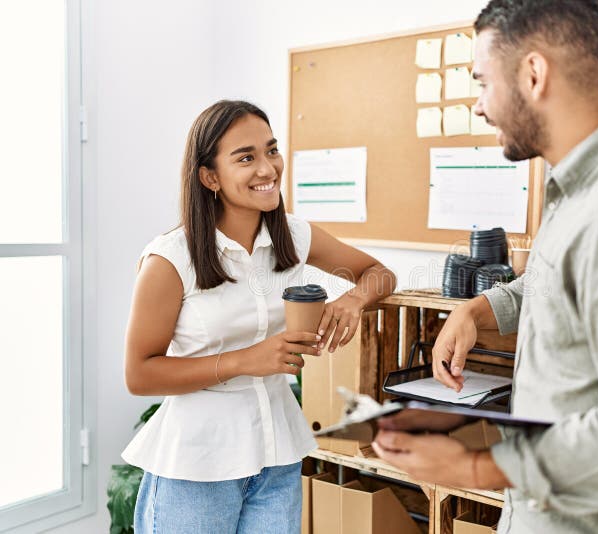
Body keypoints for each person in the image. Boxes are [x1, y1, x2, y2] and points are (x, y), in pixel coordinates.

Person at [371, 1, 598, 533]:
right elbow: (555, 284)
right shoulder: (582, 195)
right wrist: (477, 309)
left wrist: (474, 466)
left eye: (483, 82)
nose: (478, 106)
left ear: (533, 74)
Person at [122, 100, 396, 533]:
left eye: (271, 150)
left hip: (276, 457)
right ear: (210, 177)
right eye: (246, 158)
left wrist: (352, 301)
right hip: (196, 467)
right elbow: (140, 375)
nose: (268, 168)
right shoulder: (170, 259)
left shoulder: (294, 235)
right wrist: (244, 360)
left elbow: (379, 274)